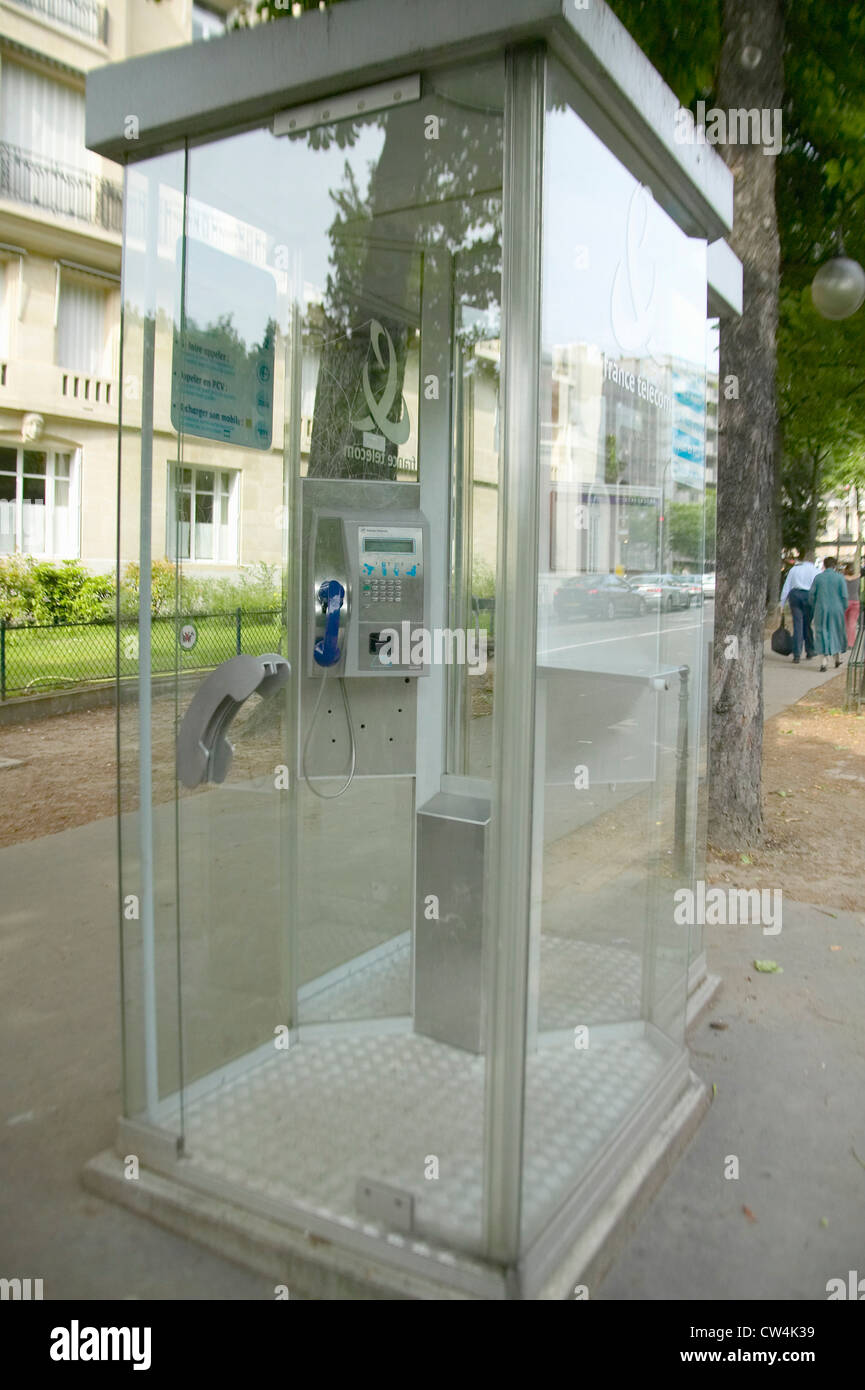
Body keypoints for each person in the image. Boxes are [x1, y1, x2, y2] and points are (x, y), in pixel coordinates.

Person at [808, 555, 848, 671]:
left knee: (822, 632)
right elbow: (844, 596)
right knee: (836, 631)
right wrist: (843, 608)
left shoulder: (819, 578)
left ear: (824, 565)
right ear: (835, 565)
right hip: (837, 609)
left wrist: (814, 606)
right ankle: (837, 658)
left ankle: (824, 662)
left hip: (821, 608)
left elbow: (811, 595)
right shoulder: (840, 578)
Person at [779, 550, 817, 663]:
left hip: (795, 595)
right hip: (809, 596)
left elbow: (787, 586)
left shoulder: (794, 569)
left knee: (798, 624)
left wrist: (782, 602)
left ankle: (797, 654)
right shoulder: (816, 571)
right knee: (807, 624)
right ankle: (810, 650)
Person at [843, 562, 861, 649]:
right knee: (852, 623)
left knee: (845, 623)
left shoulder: (842, 578)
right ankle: (851, 643)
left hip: (845, 601)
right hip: (855, 601)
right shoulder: (858, 578)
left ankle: (844, 642)